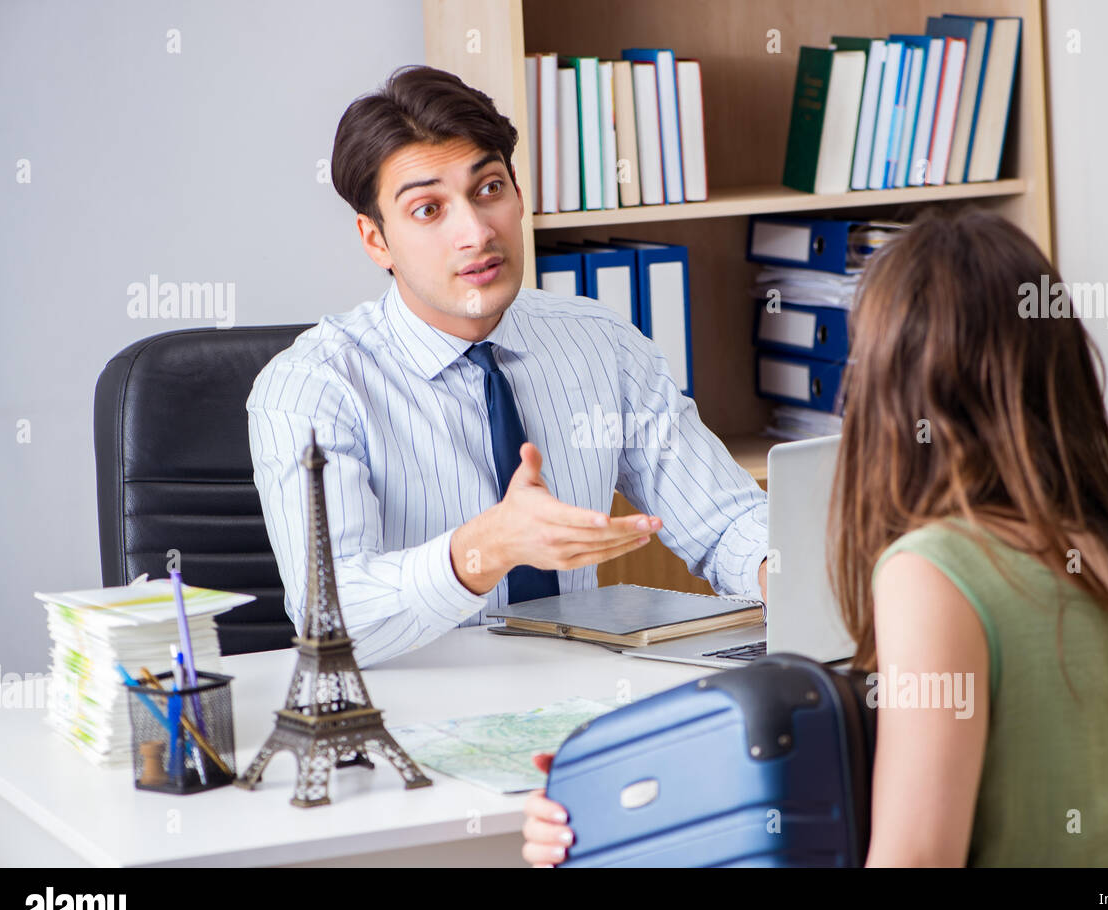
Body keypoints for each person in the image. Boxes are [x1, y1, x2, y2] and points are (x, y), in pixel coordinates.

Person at [522, 207, 1108, 867]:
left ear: (890, 386)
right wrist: (613, 780)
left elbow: (914, 859)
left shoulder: (936, 572)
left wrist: (606, 812)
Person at [246, 66, 769, 668]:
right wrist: (484, 549)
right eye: (427, 209)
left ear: (519, 196)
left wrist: (775, 571)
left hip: (581, 696)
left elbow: (724, 520)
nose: (474, 231)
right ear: (376, 241)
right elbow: (332, 619)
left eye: (488, 189)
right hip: (414, 710)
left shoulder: (602, 343)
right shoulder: (312, 388)